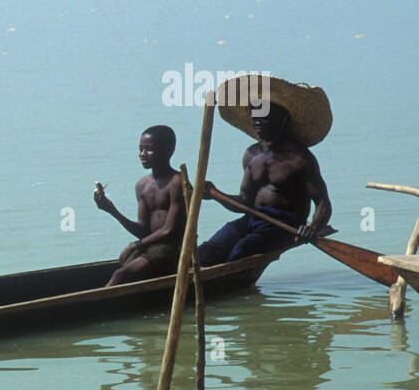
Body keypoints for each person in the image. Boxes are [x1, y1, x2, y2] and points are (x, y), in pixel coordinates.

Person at [198, 75, 333, 265]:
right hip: (252, 219)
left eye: (265, 117)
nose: (258, 122)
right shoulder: (252, 155)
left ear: (283, 119)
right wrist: (215, 194)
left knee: (240, 253)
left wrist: (312, 226)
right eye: (255, 118)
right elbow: (245, 202)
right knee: (204, 252)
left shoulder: (301, 159)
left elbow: (323, 204)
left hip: (283, 226)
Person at [93, 125, 185, 285]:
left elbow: (169, 230)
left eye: (149, 149)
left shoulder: (177, 182)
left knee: (119, 276)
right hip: (150, 247)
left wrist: (134, 245)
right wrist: (112, 210)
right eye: (140, 149)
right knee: (118, 270)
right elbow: (143, 230)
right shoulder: (142, 186)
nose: (142, 154)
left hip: (171, 250)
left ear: (168, 150)